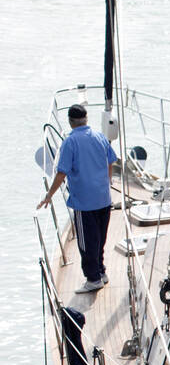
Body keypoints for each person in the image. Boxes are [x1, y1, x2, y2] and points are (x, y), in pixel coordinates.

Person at [39, 104, 118, 294]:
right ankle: (101, 271)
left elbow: (61, 172)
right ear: (86, 119)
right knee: (99, 238)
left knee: (86, 242)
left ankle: (93, 279)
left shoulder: (70, 142)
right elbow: (111, 161)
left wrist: (49, 195)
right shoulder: (100, 137)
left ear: (70, 121)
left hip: (85, 202)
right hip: (103, 199)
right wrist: (106, 183)